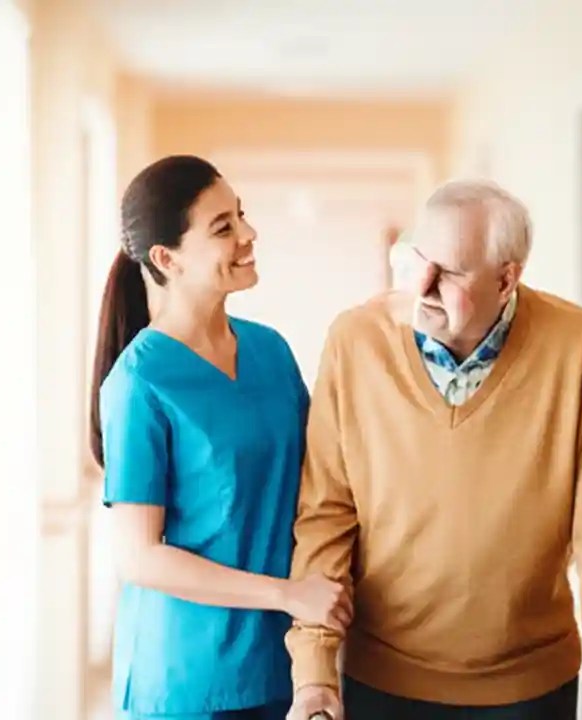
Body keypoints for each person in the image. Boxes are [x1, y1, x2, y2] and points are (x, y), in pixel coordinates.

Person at [286, 180, 582, 720]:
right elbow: (327, 513)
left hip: (530, 685)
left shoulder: (580, 347)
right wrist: (315, 670)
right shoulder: (355, 341)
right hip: (382, 677)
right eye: (420, 261)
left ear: (507, 279)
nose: (424, 285)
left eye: (451, 271)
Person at [92, 155, 352, 720]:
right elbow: (140, 557)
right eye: (223, 227)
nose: (248, 234)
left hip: (280, 661)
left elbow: (319, 476)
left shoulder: (269, 351)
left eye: (241, 216)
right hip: (187, 680)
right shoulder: (139, 382)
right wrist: (286, 593)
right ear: (167, 259)